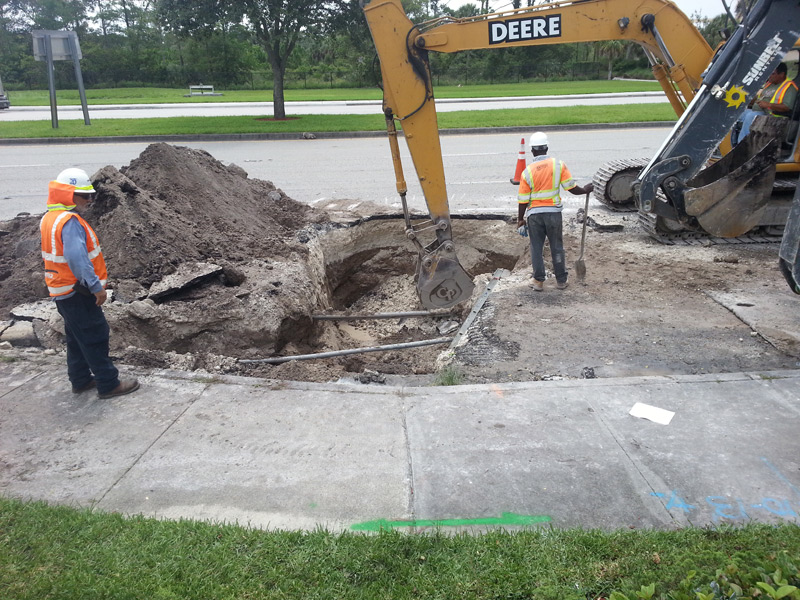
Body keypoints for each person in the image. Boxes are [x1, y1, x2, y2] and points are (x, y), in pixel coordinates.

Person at [40, 168, 139, 399]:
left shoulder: (49, 218)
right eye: (85, 195)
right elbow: (78, 260)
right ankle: (108, 384)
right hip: (77, 291)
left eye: (91, 195)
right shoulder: (70, 222)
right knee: (95, 335)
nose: (90, 200)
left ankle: (80, 380)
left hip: (61, 290)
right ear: (69, 194)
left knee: (76, 337)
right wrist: (96, 288)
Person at [516, 132, 594, 291]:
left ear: (532, 151)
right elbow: (571, 188)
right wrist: (585, 190)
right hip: (553, 214)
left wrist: (520, 219)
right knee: (557, 247)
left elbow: (523, 199)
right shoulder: (558, 165)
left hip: (534, 216)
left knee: (536, 248)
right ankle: (561, 281)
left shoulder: (527, 172)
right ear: (546, 148)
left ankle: (538, 281)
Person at [732, 62, 798, 145]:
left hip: (774, 117)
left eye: (772, 73)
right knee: (736, 113)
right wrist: (750, 100)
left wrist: (768, 105)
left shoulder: (789, 87)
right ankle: (731, 143)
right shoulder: (769, 83)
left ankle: (742, 144)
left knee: (751, 116)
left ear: (782, 74)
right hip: (759, 111)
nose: (769, 75)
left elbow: (787, 107)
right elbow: (761, 97)